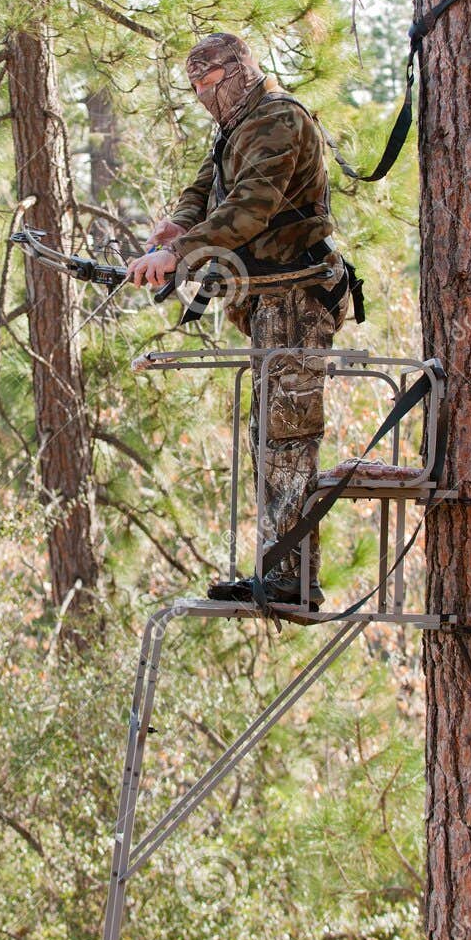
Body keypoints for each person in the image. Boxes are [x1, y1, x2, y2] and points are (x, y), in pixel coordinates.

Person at [125, 32, 356, 609]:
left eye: (211, 82)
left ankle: (293, 581)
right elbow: (202, 190)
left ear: (240, 69)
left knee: (289, 440)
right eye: (195, 88)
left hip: (299, 300)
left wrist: (178, 255)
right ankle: (279, 571)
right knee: (268, 442)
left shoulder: (277, 120)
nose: (206, 96)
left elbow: (250, 206)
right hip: (268, 305)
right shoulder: (236, 128)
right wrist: (175, 229)